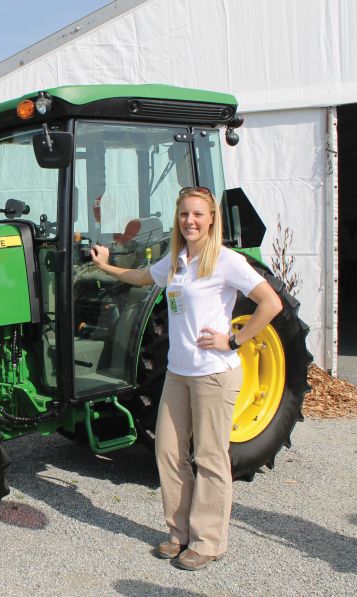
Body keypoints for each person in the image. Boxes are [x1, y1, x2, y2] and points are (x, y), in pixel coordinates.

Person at [91, 186, 282, 571]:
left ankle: (208, 541)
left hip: (213, 375)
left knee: (210, 458)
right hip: (178, 374)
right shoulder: (177, 261)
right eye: (184, 215)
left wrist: (234, 339)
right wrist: (107, 266)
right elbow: (145, 277)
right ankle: (179, 533)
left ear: (212, 218)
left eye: (197, 214)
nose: (190, 221)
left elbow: (271, 303)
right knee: (168, 452)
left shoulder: (226, 261)